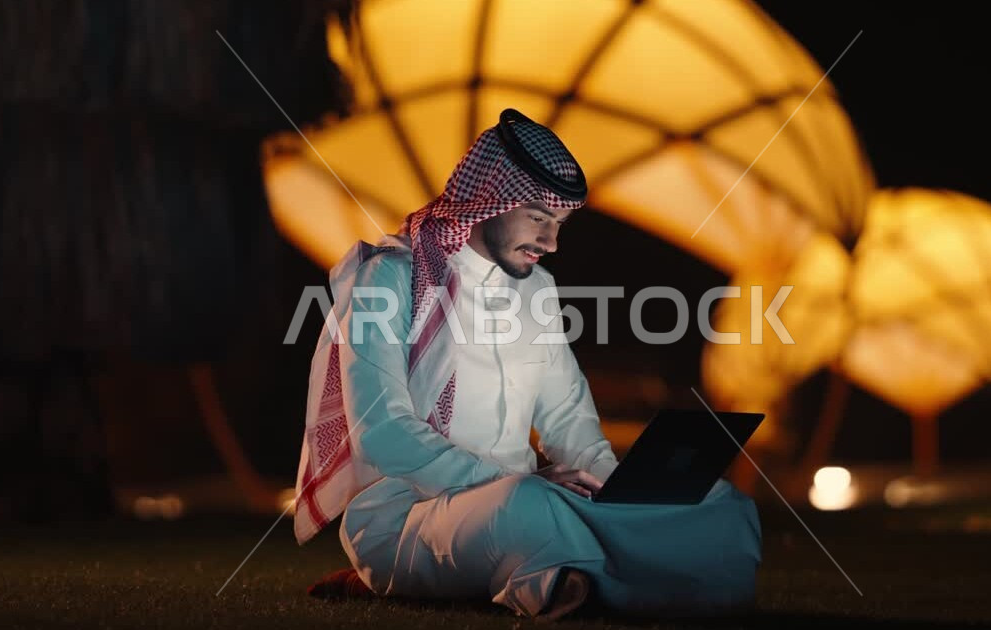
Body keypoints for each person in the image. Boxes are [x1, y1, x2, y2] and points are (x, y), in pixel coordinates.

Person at [294, 109, 761, 621]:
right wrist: (506, 482)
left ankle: (563, 577)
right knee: (525, 511)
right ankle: (572, 574)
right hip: (410, 516)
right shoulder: (388, 279)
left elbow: (569, 422)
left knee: (722, 507)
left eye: (559, 224)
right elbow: (380, 433)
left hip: (527, 497)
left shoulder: (538, 291)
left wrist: (622, 490)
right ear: (488, 199)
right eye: (538, 217)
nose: (551, 241)